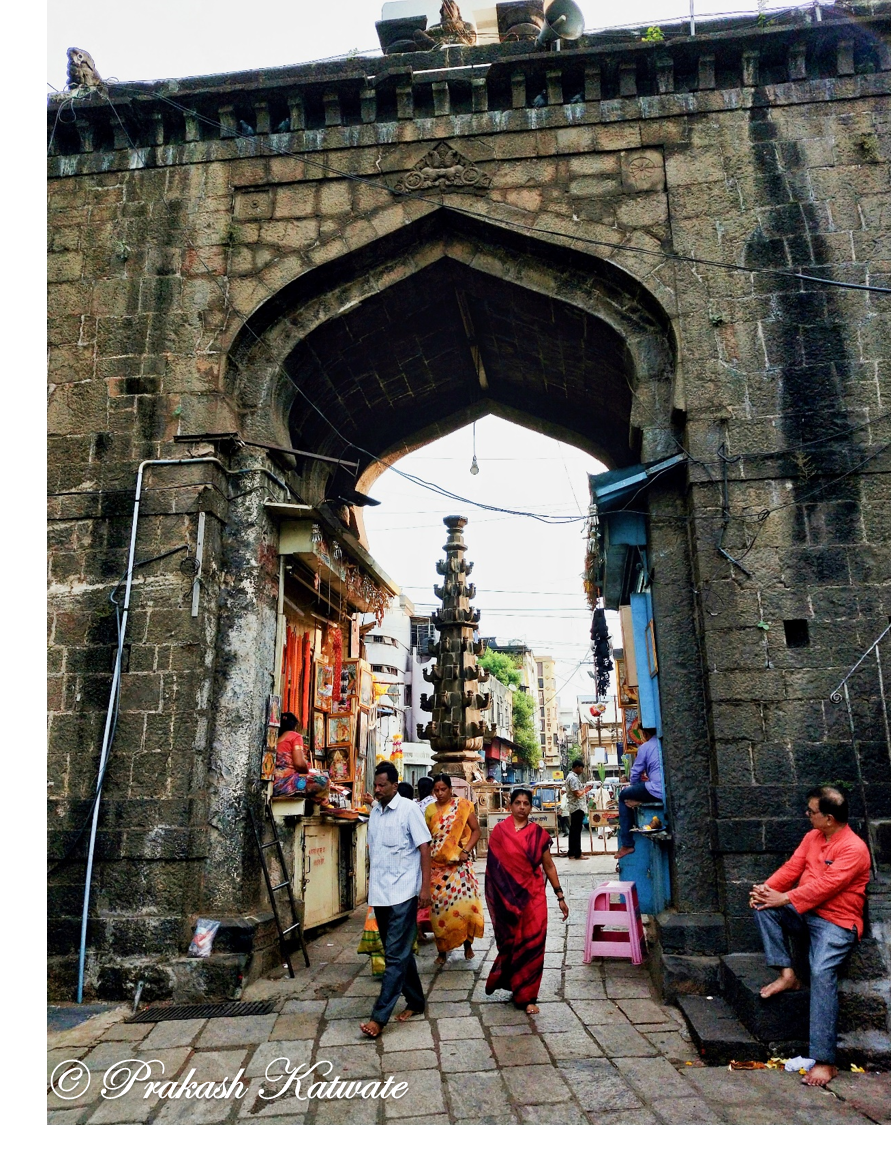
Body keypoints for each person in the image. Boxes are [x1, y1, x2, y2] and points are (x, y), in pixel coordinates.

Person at [750, 785, 871, 1088]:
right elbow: (792, 868)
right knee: (763, 907)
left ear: (829, 818)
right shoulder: (812, 837)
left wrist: (784, 898)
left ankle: (825, 1061)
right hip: (805, 913)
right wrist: (766, 891)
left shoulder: (853, 849)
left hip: (837, 922)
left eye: (812, 812)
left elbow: (825, 887)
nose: (807, 815)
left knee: (821, 971)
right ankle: (787, 973)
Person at [360, 762, 432, 1039]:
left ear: (394, 784)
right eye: (375, 785)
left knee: (393, 955)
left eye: (381, 785)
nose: (376, 790)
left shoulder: (409, 810)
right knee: (399, 951)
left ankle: (379, 1018)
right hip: (380, 893)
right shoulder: (375, 811)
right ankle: (416, 1001)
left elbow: (424, 848)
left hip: (403, 892)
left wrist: (424, 889)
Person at [484, 787, 569, 1014]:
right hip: (507, 901)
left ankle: (528, 995)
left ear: (531, 807)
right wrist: (501, 898)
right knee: (512, 943)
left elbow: (548, 865)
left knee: (533, 944)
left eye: (526, 803)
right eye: (518, 803)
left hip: (533, 897)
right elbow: (493, 870)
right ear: (510, 806)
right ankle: (511, 982)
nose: (522, 807)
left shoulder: (538, 834)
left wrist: (559, 895)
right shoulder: (500, 832)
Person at [424, 772, 485, 965]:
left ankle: (468, 945)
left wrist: (466, 851)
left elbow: (476, 831)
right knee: (439, 911)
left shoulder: (463, 806)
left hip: (459, 867)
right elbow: (427, 839)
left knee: (465, 908)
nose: (440, 793)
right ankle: (442, 951)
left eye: (443, 789)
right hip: (437, 868)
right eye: (436, 790)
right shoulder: (430, 810)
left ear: (451, 789)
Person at [615, 728, 662, 861]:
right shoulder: (663, 744)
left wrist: (633, 789)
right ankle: (639, 802)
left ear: (645, 734)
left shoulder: (645, 747)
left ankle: (627, 843)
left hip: (655, 789)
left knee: (624, 795)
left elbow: (635, 773)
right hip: (664, 790)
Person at [565, 757, 593, 859]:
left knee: (574, 830)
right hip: (577, 807)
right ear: (577, 767)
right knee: (576, 830)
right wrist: (585, 790)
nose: (582, 771)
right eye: (581, 768)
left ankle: (572, 852)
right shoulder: (573, 778)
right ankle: (577, 853)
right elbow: (577, 793)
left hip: (574, 806)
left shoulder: (571, 777)